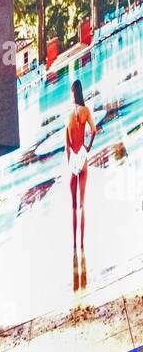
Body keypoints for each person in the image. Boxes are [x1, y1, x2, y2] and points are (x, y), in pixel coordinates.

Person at [65, 77, 97, 290]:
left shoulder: (68, 115)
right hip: (83, 156)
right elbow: (94, 131)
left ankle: (74, 244)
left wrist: (70, 163)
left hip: (74, 159)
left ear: (72, 93)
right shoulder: (85, 112)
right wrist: (88, 146)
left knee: (73, 206)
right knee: (83, 205)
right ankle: (83, 244)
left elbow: (67, 146)